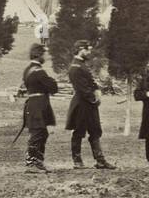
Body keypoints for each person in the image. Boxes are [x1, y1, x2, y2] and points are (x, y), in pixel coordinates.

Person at [65, 41, 115, 170]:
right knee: (79, 131)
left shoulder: (82, 65)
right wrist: (95, 99)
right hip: (81, 104)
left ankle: (100, 160)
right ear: (81, 50)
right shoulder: (75, 67)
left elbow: (91, 81)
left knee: (95, 131)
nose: (89, 53)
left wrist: (97, 89)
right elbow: (82, 89)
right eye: (87, 50)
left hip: (89, 104)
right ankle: (77, 161)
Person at [20, 43, 58, 173]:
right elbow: (53, 88)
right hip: (39, 106)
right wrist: (52, 81)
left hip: (33, 104)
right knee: (38, 134)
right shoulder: (39, 71)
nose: (45, 57)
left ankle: (38, 161)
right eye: (44, 54)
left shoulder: (27, 70)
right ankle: (31, 163)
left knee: (42, 133)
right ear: (38, 55)